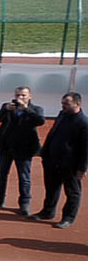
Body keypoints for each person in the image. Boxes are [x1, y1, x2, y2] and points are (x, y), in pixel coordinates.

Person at [0, 87, 44, 215]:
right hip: (6, 147)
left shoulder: (36, 109)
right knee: (1, 175)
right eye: (18, 95)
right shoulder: (8, 107)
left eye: (23, 95)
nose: (20, 98)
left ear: (30, 96)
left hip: (24, 149)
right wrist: (5, 110)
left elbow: (40, 121)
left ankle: (24, 204)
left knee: (24, 177)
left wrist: (26, 109)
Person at [36, 91, 84, 228]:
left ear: (77, 104)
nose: (63, 106)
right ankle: (47, 211)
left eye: (67, 104)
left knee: (72, 192)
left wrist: (82, 168)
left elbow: (86, 148)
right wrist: (44, 153)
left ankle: (68, 218)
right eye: (62, 103)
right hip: (52, 160)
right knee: (51, 188)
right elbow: (52, 134)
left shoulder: (83, 123)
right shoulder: (62, 115)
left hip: (70, 164)